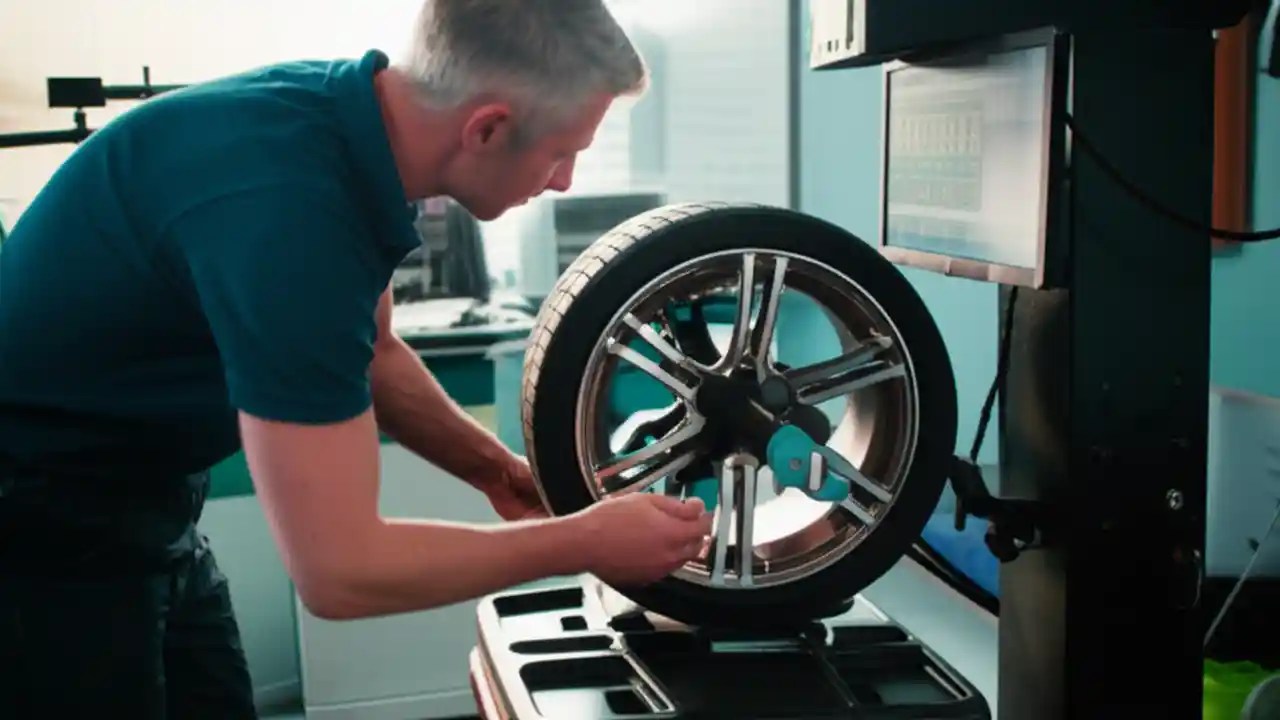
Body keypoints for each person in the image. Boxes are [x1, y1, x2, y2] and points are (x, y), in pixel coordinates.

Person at [0, 0, 714, 717]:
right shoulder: (292, 213)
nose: (563, 180)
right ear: (488, 127)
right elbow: (340, 573)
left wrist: (502, 476)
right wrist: (579, 542)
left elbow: (375, 351)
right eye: (563, 151)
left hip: (149, 507)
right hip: (41, 535)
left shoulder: (347, 121)